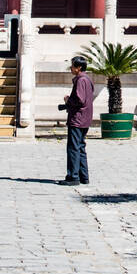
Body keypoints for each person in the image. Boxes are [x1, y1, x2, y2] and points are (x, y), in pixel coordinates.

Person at [58, 55, 94, 186]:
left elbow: (79, 99)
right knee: (80, 147)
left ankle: (73, 176)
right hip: (85, 118)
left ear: (79, 67)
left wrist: (68, 101)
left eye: (73, 66)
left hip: (78, 118)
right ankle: (83, 176)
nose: (71, 68)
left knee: (73, 147)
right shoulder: (87, 79)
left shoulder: (81, 80)